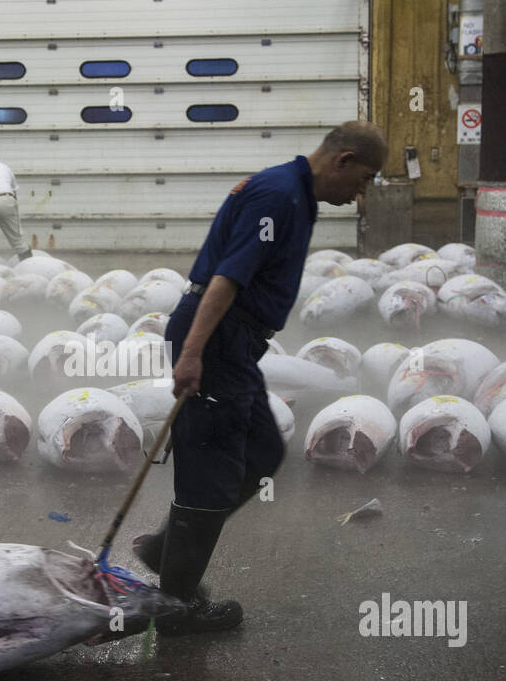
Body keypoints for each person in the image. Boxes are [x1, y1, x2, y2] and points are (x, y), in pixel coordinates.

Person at [133, 121, 387, 635]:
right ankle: (177, 607)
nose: (361, 193)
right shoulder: (279, 196)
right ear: (343, 160)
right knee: (211, 467)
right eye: (363, 179)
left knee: (263, 451)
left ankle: (168, 551)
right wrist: (194, 353)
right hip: (218, 332)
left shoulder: (294, 193)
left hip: (237, 339)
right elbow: (228, 277)